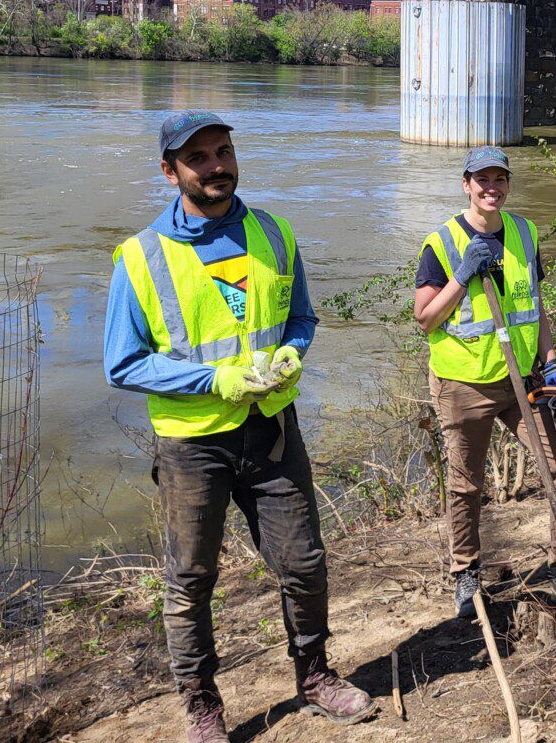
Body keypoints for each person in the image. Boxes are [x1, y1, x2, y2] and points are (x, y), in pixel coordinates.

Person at [103, 111, 371, 743]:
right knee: (192, 579)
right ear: (169, 171)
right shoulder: (140, 258)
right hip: (192, 445)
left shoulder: (274, 234)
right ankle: (201, 705)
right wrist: (213, 382)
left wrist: (292, 353)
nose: (216, 165)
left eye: (223, 151)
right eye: (198, 158)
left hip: (272, 429)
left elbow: (300, 317)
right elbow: (123, 362)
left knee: (304, 563)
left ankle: (314, 675)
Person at [415, 146, 556, 619]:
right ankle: (466, 573)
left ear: (508, 184)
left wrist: (551, 360)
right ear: (466, 185)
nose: (491, 188)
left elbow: (534, 305)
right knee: (465, 485)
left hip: (523, 378)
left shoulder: (524, 232)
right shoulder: (441, 243)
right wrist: (461, 277)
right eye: (482, 180)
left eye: (499, 179)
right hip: (464, 384)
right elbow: (425, 320)